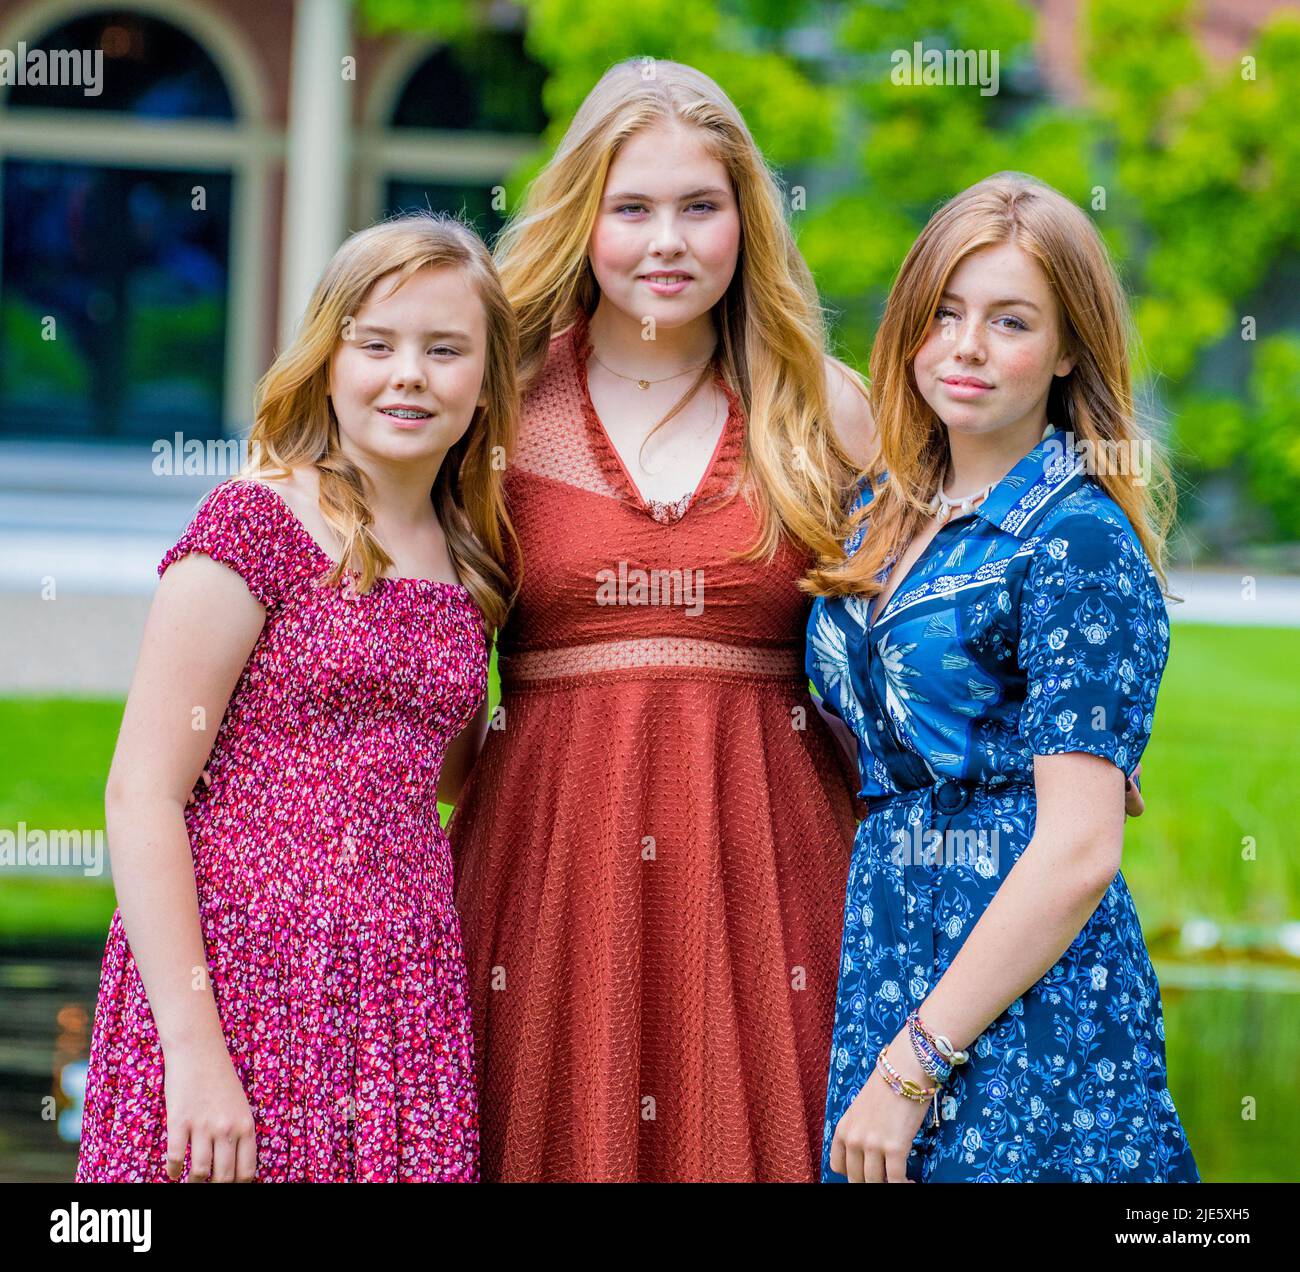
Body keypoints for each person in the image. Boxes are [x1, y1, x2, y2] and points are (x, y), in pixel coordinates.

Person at [446, 57, 877, 1182]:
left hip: (771, 873)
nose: (666, 242)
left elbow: (930, 623)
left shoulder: (815, 402)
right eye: (631, 208)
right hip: (546, 868)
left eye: (701, 206)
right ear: (583, 216)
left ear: (748, 220)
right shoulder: (495, 395)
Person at [75, 213, 519, 1182]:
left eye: (445, 350)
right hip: (238, 977)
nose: (409, 374)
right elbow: (139, 794)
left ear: (485, 382)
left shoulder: (470, 561)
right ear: (327, 359)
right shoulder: (258, 521)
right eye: (378, 344)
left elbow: (445, 774)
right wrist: (193, 1053)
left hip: (400, 992)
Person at [805, 172, 1198, 1183]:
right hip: (890, 952)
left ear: (1069, 347)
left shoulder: (1077, 539)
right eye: (943, 313)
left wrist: (911, 1069)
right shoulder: (884, 509)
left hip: (1022, 996)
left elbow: (1077, 849)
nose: (965, 347)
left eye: (1009, 320)